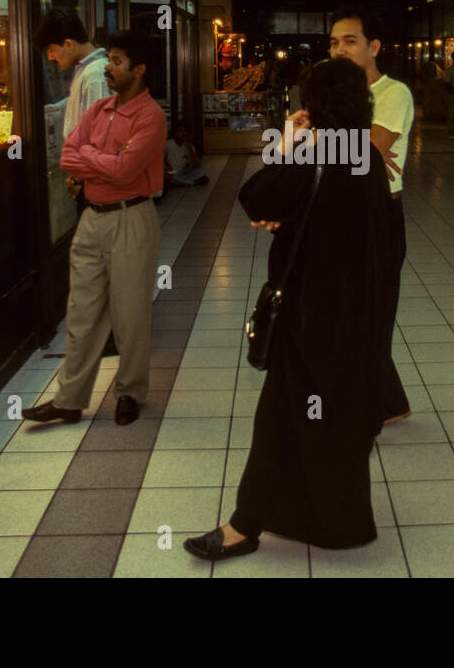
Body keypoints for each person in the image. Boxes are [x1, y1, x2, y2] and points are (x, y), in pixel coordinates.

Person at [184, 58, 392, 561]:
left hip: (308, 314)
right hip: (355, 313)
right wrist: (292, 216)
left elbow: (255, 197)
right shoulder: (365, 155)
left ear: (314, 105)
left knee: (279, 417)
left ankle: (243, 526)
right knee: (330, 417)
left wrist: (289, 140)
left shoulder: (316, 152)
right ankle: (338, 522)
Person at [23, 33, 166, 427]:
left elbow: (124, 171)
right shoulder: (100, 108)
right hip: (91, 218)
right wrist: (100, 158)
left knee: (130, 314)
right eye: (111, 60)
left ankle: (130, 392)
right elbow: (69, 155)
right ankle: (69, 399)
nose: (109, 66)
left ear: (139, 70)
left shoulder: (151, 117)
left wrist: (91, 159)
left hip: (131, 218)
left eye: (118, 61)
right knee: (82, 311)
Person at [325, 9, 412, 428]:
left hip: (379, 214)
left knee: (374, 311)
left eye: (349, 41)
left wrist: (326, 138)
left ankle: (373, 407)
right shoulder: (339, 96)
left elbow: (364, 152)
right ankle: (385, 400)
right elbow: (347, 154)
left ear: (373, 47)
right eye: (334, 42)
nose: (339, 49)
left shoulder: (393, 93)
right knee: (347, 309)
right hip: (342, 211)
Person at [36, 9, 110, 210]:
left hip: (92, 180)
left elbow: (99, 137)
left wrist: (80, 179)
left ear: (68, 44)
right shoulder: (85, 70)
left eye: (52, 50)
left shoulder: (95, 75)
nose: (50, 57)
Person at [165, 122, 209, 187]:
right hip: (172, 173)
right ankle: (191, 182)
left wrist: (189, 148)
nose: (183, 134)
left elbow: (197, 165)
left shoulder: (189, 145)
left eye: (185, 131)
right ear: (175, 133)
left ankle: (182, 182)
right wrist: (167, 168)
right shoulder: (168, 144)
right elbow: (159, 159)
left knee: (202, 170)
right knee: (168, 176)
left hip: (183, 172)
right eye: (180, 131)